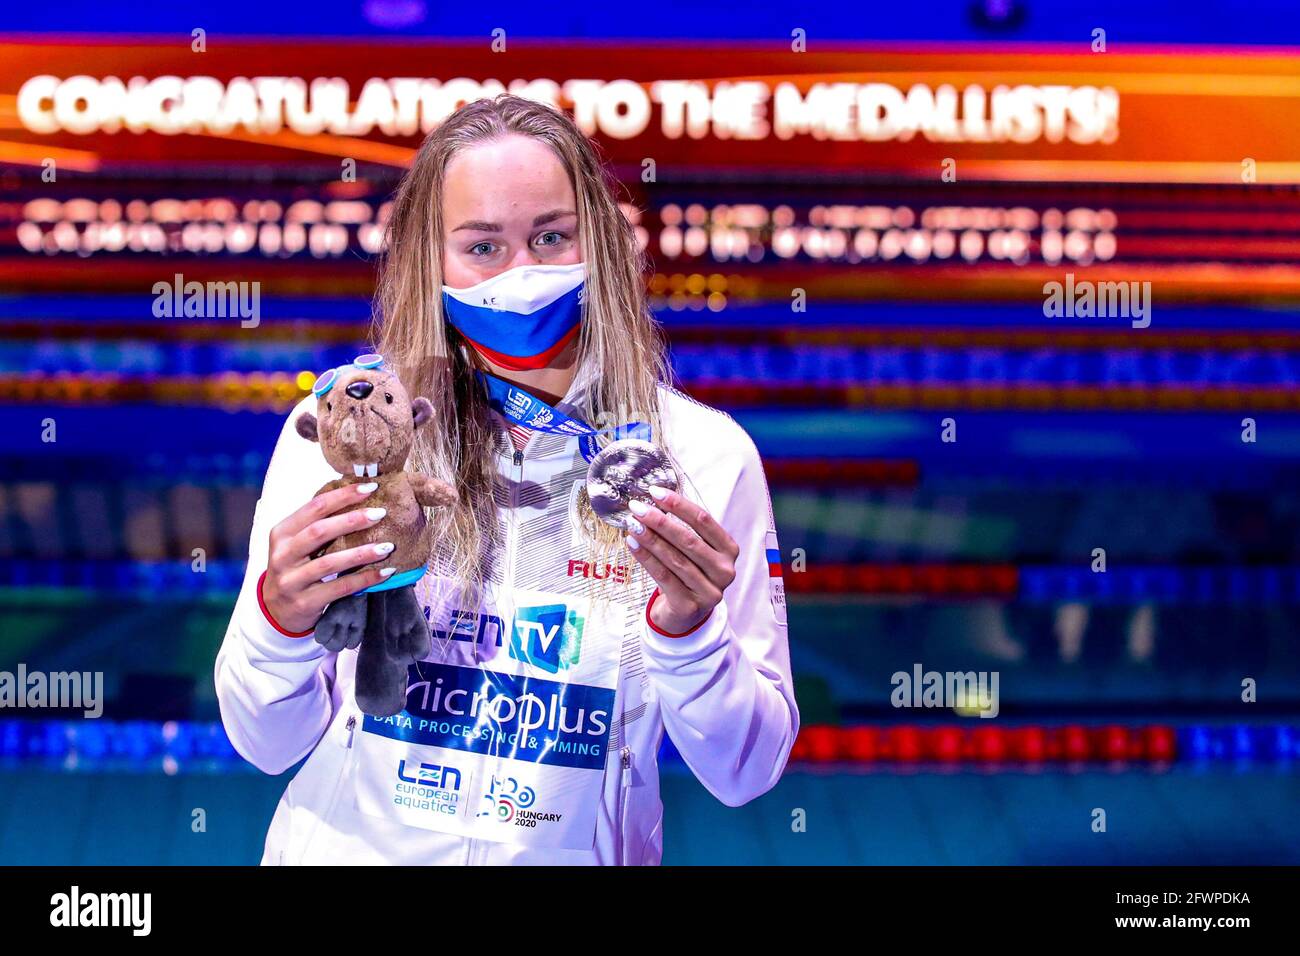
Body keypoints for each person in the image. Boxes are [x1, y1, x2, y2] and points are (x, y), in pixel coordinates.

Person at [214, 94, 798, 865]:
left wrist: (689, 634)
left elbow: (746, 771)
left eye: (551, 237)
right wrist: (279, 623)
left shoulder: (700, 456)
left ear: (600, 240)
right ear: (430, 257)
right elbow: (264, 742)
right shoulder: (346, 434)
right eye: (483, 246)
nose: (522, 273)